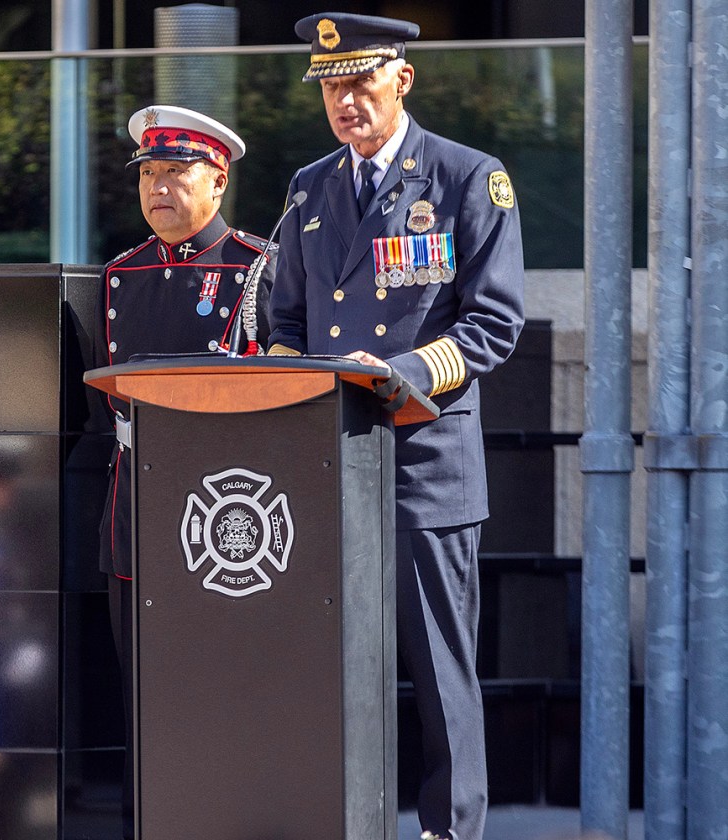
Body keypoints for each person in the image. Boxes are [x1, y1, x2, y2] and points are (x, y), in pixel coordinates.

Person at [265, 13, 525, 840]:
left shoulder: (466, 178)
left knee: (440, 674)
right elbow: (286, 320)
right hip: (328, 463)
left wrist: (395, 375)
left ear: (402, 80)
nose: (345, 101)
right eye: (330, 88)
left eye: (360, 82)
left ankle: (449, 830)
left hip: (422, 463)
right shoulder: (309, 187)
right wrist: (297, 383)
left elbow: (493, 324)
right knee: (330, 671)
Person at [95, 104, 276, 839]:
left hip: (226, 519)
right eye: (149, 174)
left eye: (177, 172)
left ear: (219, 179)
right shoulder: (120, 274)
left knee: (226, 693)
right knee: (143, 698)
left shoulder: (258, 266)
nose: (159, 188)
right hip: (136, 511)